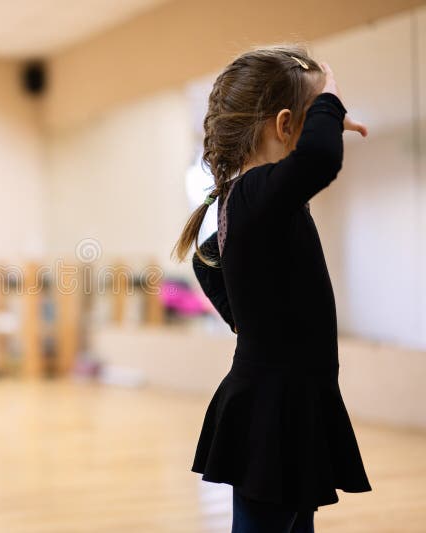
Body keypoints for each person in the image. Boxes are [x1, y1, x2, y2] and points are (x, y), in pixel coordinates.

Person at [173, 46, 371, 532]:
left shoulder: (248, 200)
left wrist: (250, 317)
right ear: (284, 125)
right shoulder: (257, 191)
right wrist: (331, 101)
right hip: (274, 411)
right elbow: (321, 158)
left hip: (290, 403)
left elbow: (208, 265)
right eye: (314, 114)